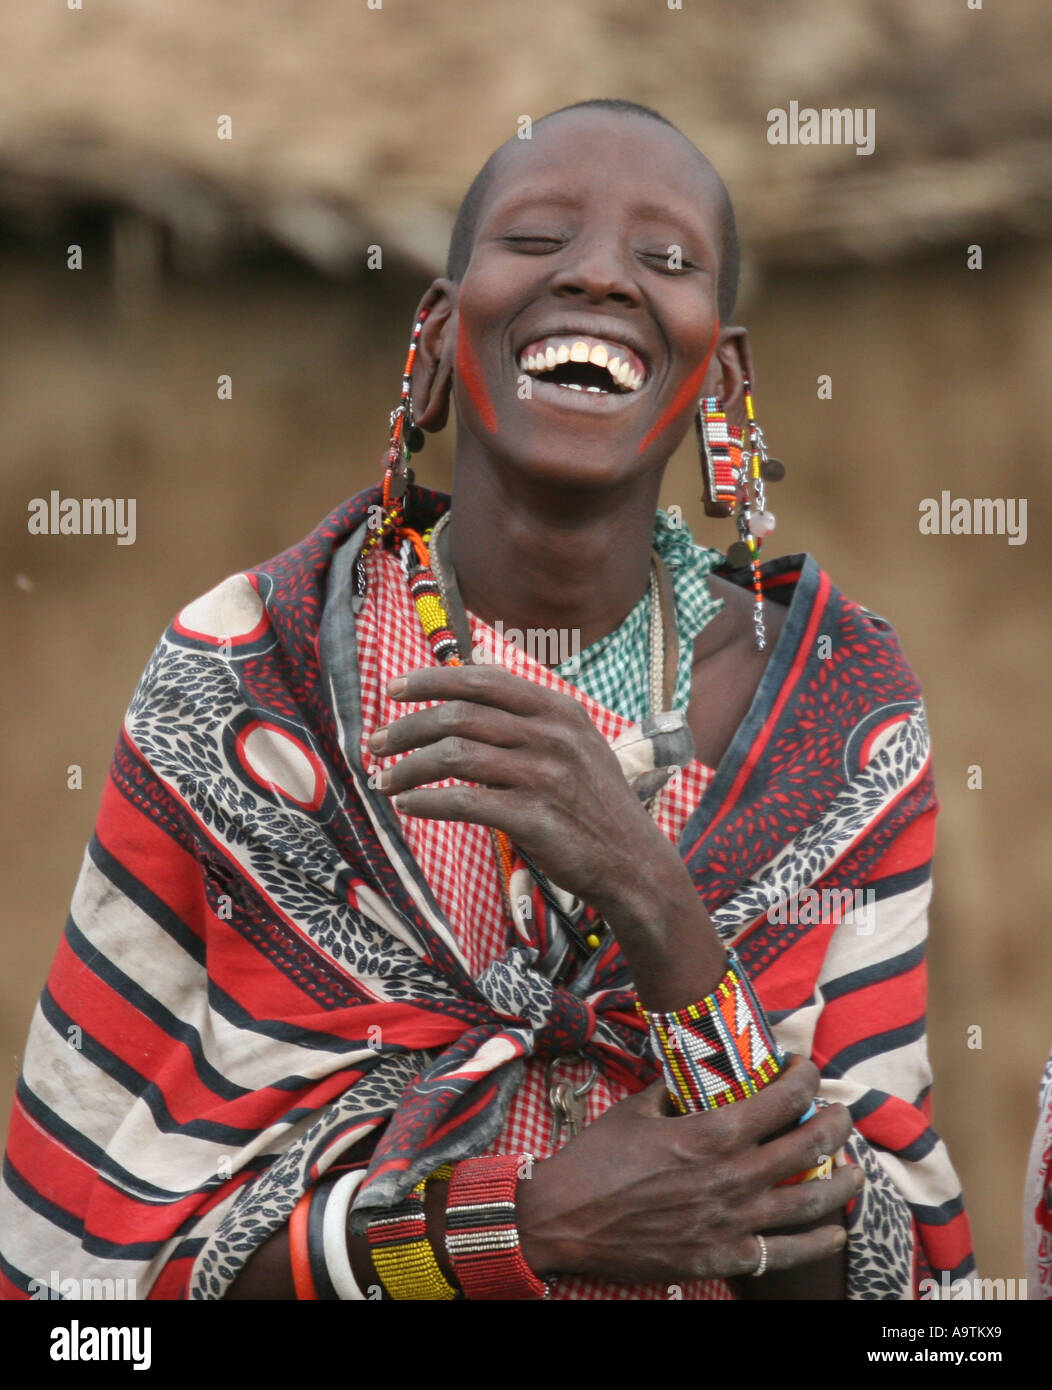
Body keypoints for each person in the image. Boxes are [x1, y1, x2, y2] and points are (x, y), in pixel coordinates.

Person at [1, 99, 974, 1301]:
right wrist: (520, 1231)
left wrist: (656, 906)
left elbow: (880, 1288)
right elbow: (96, 1291)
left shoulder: (841, 720)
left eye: (663, 259)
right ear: (438, 330)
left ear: (721, 374)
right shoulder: (254, 674)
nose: (600, 276)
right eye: (535, 239)